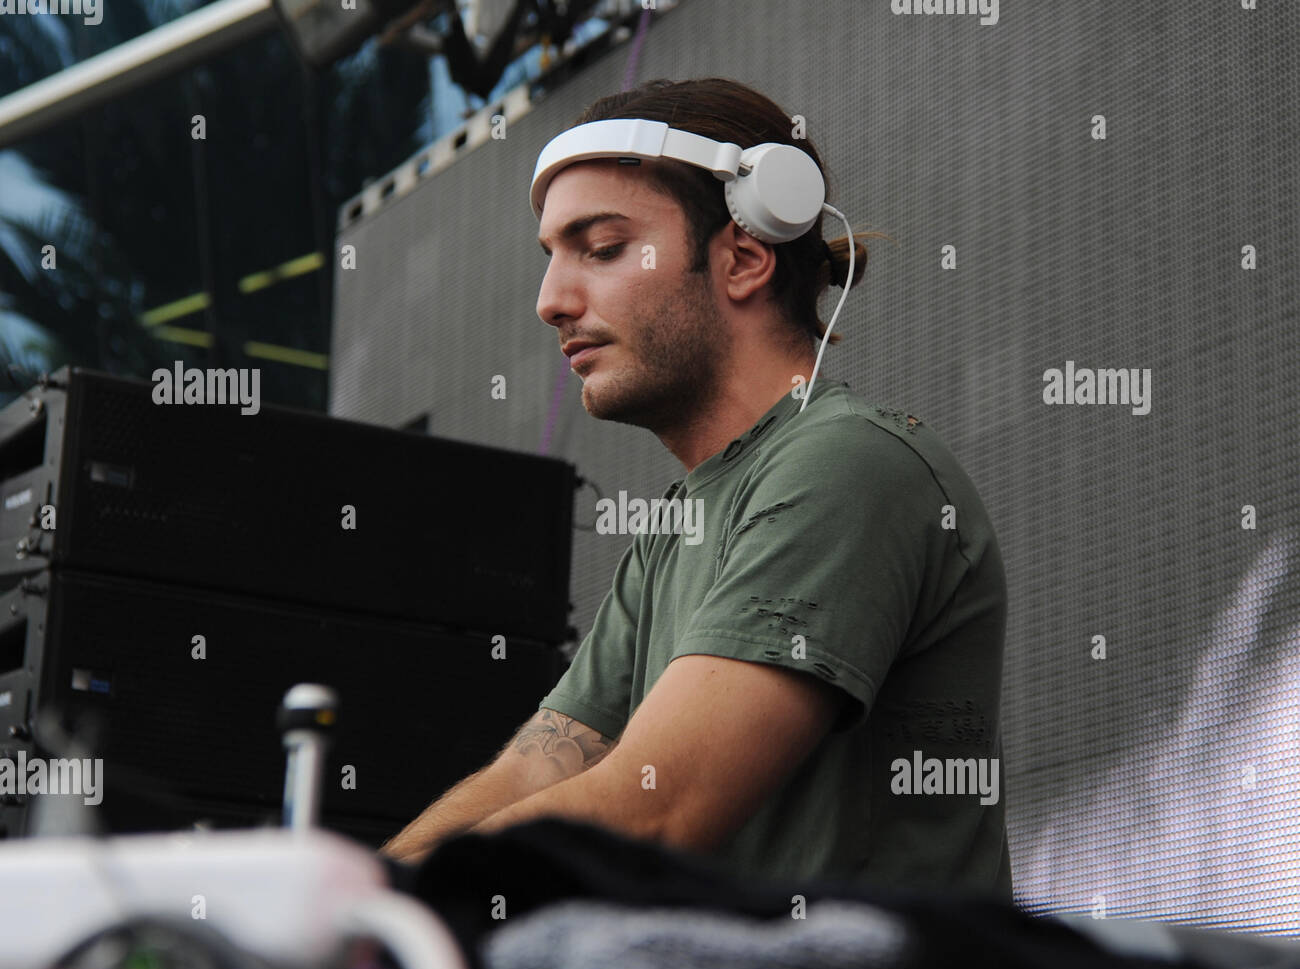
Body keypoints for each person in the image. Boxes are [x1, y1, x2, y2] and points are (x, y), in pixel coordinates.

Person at [381, 78, 1011, 898]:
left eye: (602, 248)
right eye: (552, 257)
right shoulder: (674, 527)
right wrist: (353, 897)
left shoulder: (847, 466)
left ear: (744, 260)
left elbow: (658, 807)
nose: (550, 302)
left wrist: (365, 916)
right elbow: (536, 774)